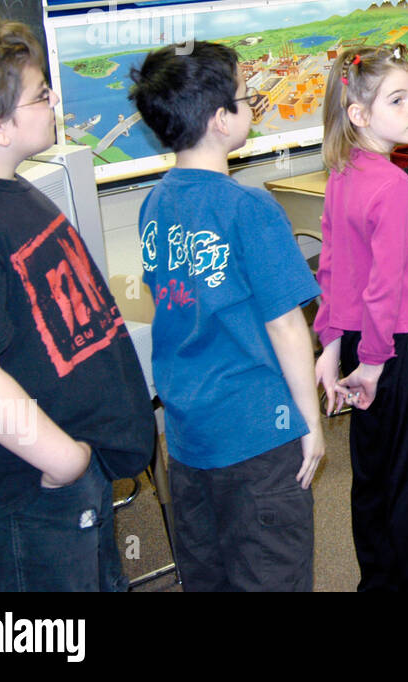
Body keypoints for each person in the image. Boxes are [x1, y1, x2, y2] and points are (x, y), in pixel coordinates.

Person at [0, 8, 155, 592]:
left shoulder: (8, 188)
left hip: (68, 477)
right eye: (40, 95)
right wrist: (65, 461)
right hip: (28, 489)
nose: (55, 100)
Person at [130, 41, 323, 591]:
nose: (251, 105)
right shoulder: (250, 207)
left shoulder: (155, 203)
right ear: (221, 119)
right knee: (269, 569)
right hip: (259, 433)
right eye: (245, 96)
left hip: (189, 434)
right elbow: (286, 325)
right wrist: (310, 424)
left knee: (208, 571)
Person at [313, 44, 408, 591]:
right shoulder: (394, 185)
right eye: (399, 99)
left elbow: (333, 271)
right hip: (397, 348)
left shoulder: (343, 174)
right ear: (359, 114)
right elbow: (382, 286)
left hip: (359, 346)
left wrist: (330, 347)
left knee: (372, 477)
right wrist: (370, 363)